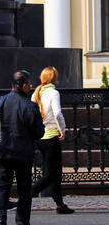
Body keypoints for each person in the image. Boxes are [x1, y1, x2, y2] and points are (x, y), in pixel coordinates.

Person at [0, 70, 44, 225]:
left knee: (2, 188)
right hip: (22, 154)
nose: (31, 87)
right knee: (24, 190)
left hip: (1, 153)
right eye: (30, 85)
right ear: (24, 86)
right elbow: (39, 132)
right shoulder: (30, 106)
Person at [31, 66, 74, 214]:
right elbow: (57, 114)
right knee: (52, 173)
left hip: (40, 138)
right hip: (51, 137)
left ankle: (60, 204)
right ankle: (27, 195)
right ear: (54, 78)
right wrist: (63, 130)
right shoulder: (53, 93)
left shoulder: (36, 93)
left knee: (55, 172)